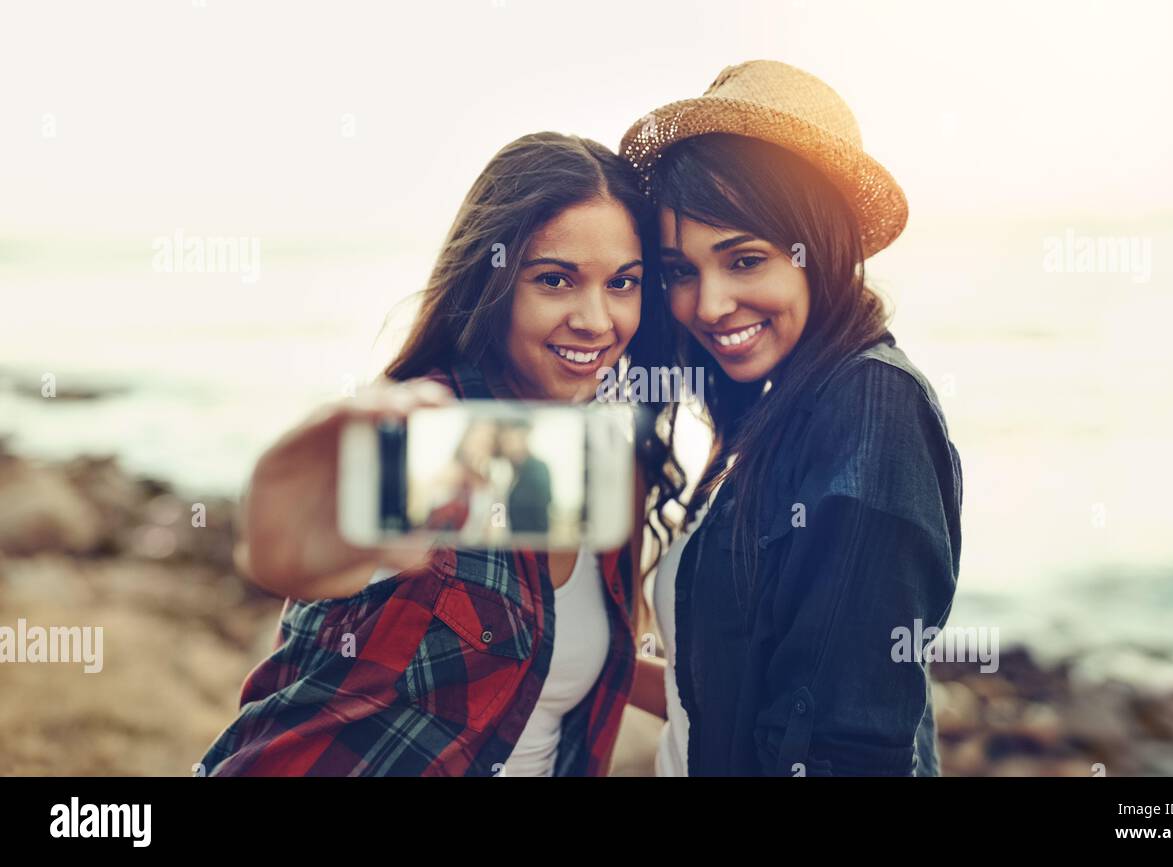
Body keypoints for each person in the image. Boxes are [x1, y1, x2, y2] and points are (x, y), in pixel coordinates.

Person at [196, 131, 678, 776]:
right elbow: (302, 564)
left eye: (623, 282)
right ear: (493, 279)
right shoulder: (436, 430)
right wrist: (282, 522)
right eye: (555, 280)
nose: (596, 319)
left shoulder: (601, 454)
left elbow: (555, 653)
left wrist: (718, 700)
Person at [621, 61, 964, 775]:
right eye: (681, 271)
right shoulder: (776, 408)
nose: (708, 305)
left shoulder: (871, 410)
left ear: (822, 251)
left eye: (745, 260)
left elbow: (845, 746)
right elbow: (730, 694)